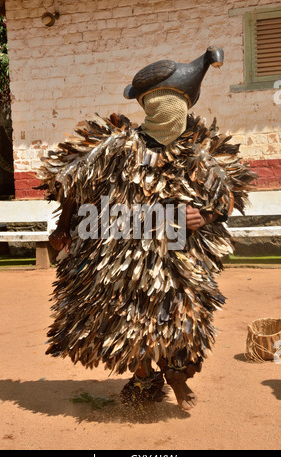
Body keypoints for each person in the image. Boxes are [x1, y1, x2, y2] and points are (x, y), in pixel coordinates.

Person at [38, 46, 256, 411]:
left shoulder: (201, 151)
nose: (165, 115)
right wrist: (64, 226)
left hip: (177, 258)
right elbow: (70, 184)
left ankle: (175, 376)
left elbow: (230, 194)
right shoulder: (115, 146)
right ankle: (143, 377)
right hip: (118, 255)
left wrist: (207, 214)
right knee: (126, 319)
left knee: (181, 318)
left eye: (171, 107)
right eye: (156, 106)